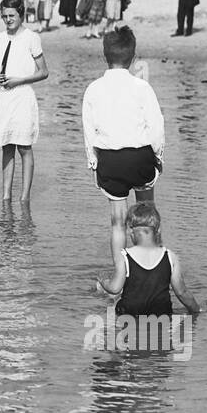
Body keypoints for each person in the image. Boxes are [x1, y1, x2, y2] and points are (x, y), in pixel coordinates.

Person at [82, 26, 165, 268]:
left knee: (117, 222)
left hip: (110, 161)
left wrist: (93, 162)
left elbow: (89, 131)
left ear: (104, 56)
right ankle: (152, 268)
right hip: (140, 158)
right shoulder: (142, 87)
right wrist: (158, 157)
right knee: (147, 216)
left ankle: (120, 276)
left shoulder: (93, 89)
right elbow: (156, 127)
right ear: (133, 56)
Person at [0, 0, 49, 204]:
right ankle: (5, 196)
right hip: (1, 97)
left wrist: (19, 80)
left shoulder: (31, 38)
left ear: (21, 15)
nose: (8, 20)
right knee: (6, 145)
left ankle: (25, 197)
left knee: (24, 146)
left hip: (22, 96)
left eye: (12, 15)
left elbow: (44, 72)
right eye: (4, 16)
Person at [95, 202, 200, 318]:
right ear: (158, 230)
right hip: (162, 315)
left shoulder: (125, 256)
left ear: (130, 231)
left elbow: (115, 288)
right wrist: (196, 310)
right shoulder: (170, 257)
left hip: (129, 315)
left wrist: (103, 280)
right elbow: (181, 292)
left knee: (114, 302)